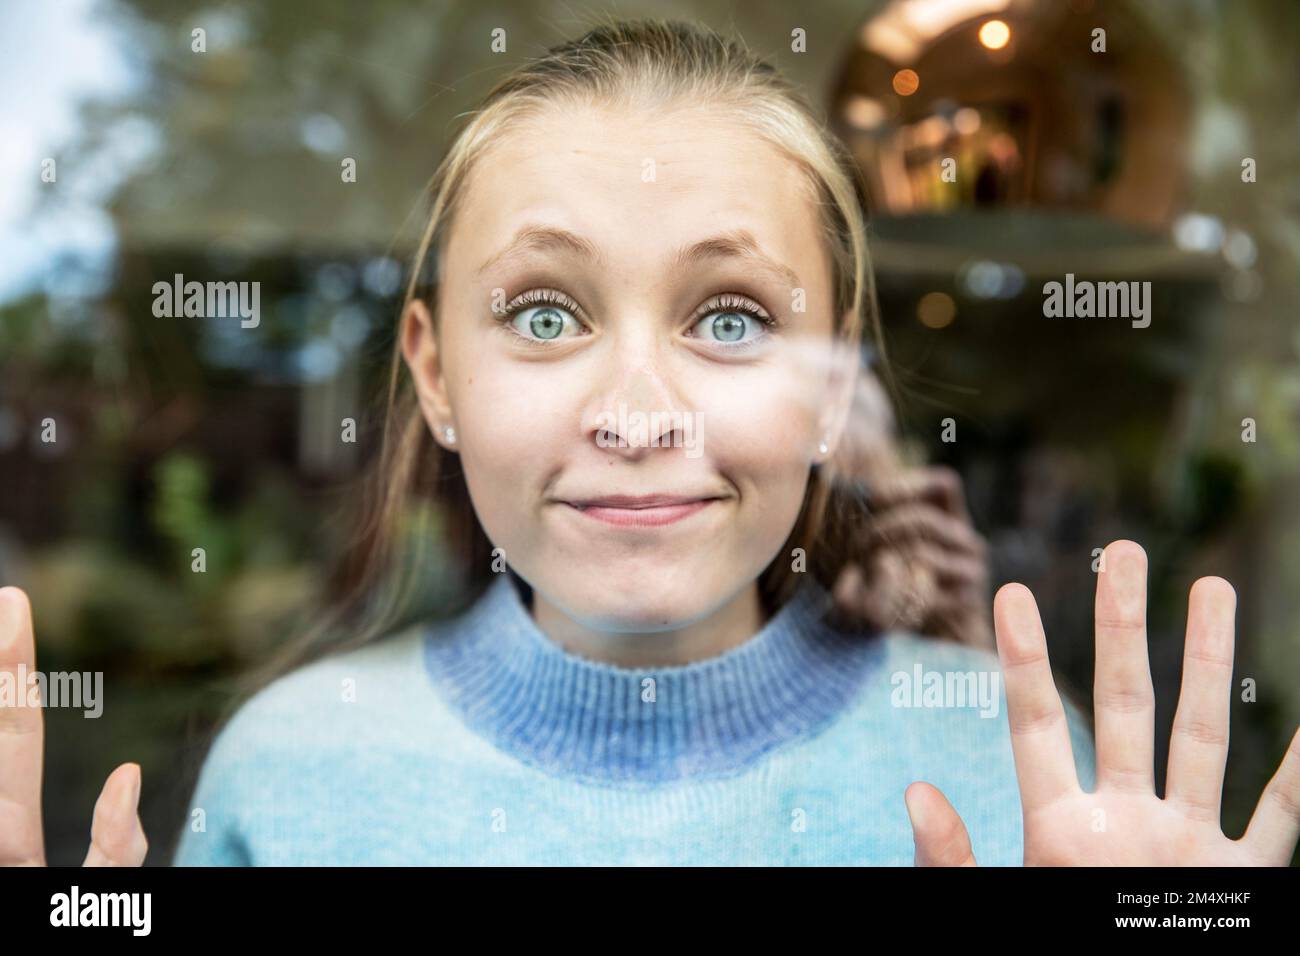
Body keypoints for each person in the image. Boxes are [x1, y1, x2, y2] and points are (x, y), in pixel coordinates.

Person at [1, 18, 1295, 867]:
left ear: (832, 376)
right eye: (545, 312)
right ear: (435, 374)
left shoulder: (1022, 765)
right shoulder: (287, 780)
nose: (637, 413)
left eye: (729, 319)